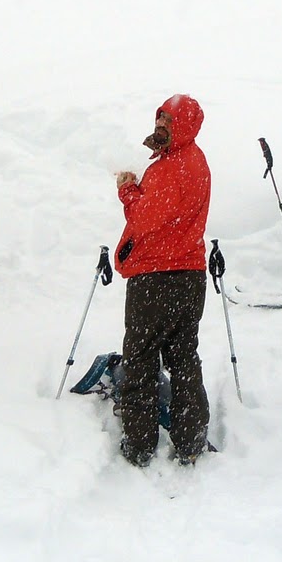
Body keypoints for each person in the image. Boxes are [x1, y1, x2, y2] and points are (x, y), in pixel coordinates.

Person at [112, 95, 212, 467]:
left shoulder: (175, 168)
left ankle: (139, 445)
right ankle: (190, 439)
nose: (161, 125)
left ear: (184, 126)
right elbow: (164, 212)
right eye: (160, 117)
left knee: (140, 360)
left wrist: (127, 190)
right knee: (183, 357)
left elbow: (143, 217)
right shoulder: (191, 160)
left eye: (169, 120)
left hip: (155, 277)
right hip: (188, 275)